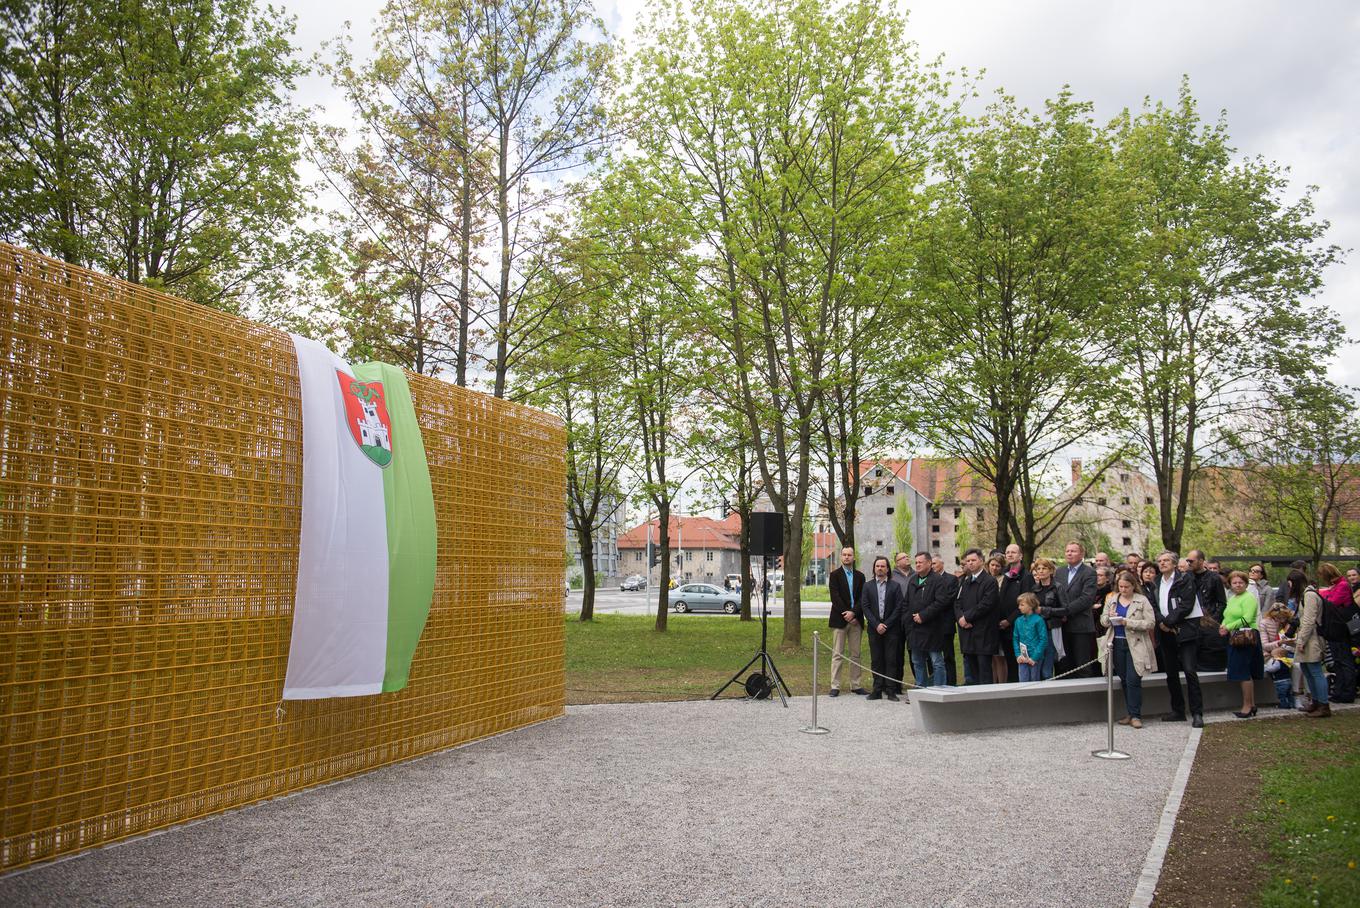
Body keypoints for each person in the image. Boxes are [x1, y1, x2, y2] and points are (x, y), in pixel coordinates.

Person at [1099, 571, 1156, 728]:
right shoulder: (1112, 599)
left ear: (1133, 586)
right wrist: (1109, 617)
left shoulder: (1142, 600)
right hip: (1115, 643)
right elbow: (1103, 621)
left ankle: (1136, 715)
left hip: (1135, 644)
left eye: (1126, 587)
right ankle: (1130, 713)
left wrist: (1127, 622)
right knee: (1124, 679)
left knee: (1134, 679)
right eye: (1120, 586)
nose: (1123, 589)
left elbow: (1150, 623)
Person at [1151, 551, 1202, 726]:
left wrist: (1169, 622)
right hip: (1165, 632)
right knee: (1171, 673)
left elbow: (1186, 605)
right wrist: (1162, 623)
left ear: (1174, 564)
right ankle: (1178, 710)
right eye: (1159, 561)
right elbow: (1154, 605)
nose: (1162, 563)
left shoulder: (1185, 579)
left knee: (1189, 670)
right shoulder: (1156, 581)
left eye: (1166, 560)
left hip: (1185, 630)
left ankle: (1197, 712)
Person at [904, 551, 952, 687]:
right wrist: (908, 620)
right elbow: (906, 602)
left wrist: (923, 616)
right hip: (914, 629)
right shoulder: (913, 580)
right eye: (916, 562)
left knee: (936, 661)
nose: (917, 565)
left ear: (929, 563)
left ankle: (939, 689)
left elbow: (941, 602)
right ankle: (921, 688)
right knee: (917, 661)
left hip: (932, 628)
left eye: (921, 562)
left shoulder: (938, 580)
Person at [1219, 570, 1264, 718]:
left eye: (1240, 582)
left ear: (1246, 584)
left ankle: (1247, 706)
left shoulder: (1249, 598)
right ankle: (1251, 704)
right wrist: (1223, 625)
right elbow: (1227, 615)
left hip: (1246, 637)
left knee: (1244, 672)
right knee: (1241, 672)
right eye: (1234, 583)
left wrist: (1228, 627)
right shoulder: (1232, 598)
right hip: (1234, 637)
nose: (1237, 585)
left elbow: (1247, 618)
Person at [955, 548, 1000, 685]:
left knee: (984, 672)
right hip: (967, 633)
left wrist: (967, 617)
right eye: (968, 561)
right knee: (971, 671)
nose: (970, 563)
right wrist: (960, 619)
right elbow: (957, 602)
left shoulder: (990, 581)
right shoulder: (965, 581)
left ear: (981, 561)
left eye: (973, 560)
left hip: (983, 633)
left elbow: (986, 604)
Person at [861, 556, 904, 700]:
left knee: (891, 659)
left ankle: (890, 690)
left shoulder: (895, 586)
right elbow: (865, 607)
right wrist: (876, 624)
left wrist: (886, 624)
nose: (880, 568)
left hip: (891, 629)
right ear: (874, 568)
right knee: (876, 660)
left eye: (883, 566)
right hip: (874, 629)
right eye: (877, 566)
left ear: (887, 569)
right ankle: (877, 689)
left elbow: (899, 607)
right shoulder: (867, 586)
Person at [826, 546, 867, 697]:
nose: (847, 557)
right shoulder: (834, 575)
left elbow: (863, 598)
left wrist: (854, 613)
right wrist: (847, 613)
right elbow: (835, 597)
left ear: (854, 557)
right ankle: (835, 686)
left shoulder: (860, 576)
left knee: (855, 654)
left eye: (849, 555)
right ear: (841, 557)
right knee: (837, 654)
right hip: (840, 619)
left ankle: (855, 685)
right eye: (844, 555)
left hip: (856, 621)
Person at [1055, 541, 1098, 677]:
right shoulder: (1060, 571)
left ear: (1081, 554)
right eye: (1067, 551)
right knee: (1064, 664)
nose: (1069, 553)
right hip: (1062, 625)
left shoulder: (1089, 572)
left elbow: (1086, 598)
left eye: (1073, 551)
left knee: (1082, 664)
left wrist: (1065, 611)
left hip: (1081, 626)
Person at [1316, 562, 1357, 704]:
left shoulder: (1343, 586)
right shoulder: (1337, 586)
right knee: (1338, 662)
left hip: (1341, 629)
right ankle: (1339, 691)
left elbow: (1332, 602)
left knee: (1345, 661)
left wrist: (1322, 594)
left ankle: (1347, 692)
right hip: (1334, 629)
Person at [1293, 570, 1331, 718]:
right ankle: (1315, 702)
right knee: (1307, 670)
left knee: (1315, 671)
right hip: (1306, 637)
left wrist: (1301, 640)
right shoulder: (1305, 595)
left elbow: (1309, 620)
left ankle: (1323, 704)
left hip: (1312, 638)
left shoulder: (1309, 595)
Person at [1187, 549, 1228, 671]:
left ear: (1201, 561)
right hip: (1191, 621)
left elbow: (1222, 602)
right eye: (1187, 561)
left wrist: (1213, 620)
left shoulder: (1214, 578)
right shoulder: (1187, 577)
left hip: (1210, 621)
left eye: (1191, 561)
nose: (1189, 563)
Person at [997, 543, 1032, 684]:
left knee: (1019, 661)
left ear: (1021, 556)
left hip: (1017, 626)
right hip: (1003, 626)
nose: (1010, 554)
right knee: (1008, 660)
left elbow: (1026, 603)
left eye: (1013, 552)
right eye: (1007, 552)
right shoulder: (1004, 574)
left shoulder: (1026, 576)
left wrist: (1009, 620)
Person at [1030, 558, 1064, 679]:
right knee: (1036, 665)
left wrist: (1044, 610)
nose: (1041, 571)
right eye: (1038, 569)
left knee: (1047, 668)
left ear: (1050, 570)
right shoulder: (1034, 589)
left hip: (1051, 629)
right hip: (1036, 630)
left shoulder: (1057, 587)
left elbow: (1065, 610)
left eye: (1044, 568)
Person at [1259, 601, 1296, 710]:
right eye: (1278, 618)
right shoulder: (1264, 623)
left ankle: (1294, 697)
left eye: (1283, 618)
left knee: (1295, 666)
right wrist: (1279, 643)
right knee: (1279, 666)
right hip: (1271, 654)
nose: (1281, 620)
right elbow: (1264, 645)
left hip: (1290, 651)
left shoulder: (1292, 623)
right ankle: (1284, 698)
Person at [932, 555, 960, 685]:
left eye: (934, 563)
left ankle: (951, 682)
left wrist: (933, 606)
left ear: (941, 564)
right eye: (931, 564)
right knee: (933, 656)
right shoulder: (929, 579)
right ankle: (936, 682)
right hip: (931, 623)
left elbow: (949, 599)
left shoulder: (952, 579)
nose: (932, 566)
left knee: (948, 655)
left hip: (945, 622)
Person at [1012, 592, 1048, 681]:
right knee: (1023, 680)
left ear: (1031, 605)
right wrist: (1018, 655)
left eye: (1022, 605)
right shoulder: (1018, 621)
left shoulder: (1039, 620)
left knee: (1034, 680)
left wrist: (1035, 657)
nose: (1019, 607)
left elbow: (1043, 640)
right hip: (1022, 657)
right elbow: (1015, 638)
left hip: (1035, 658)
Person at [892, 552, 915, 689]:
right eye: (903, 557)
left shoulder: (915, 575)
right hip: (897, 620)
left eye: (908, 556)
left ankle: (920, 682)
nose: (907, 559)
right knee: (897, 653)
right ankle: (896, 684)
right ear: (897, 562)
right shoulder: (893, 576)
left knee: (915, 653)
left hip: (913, 620)